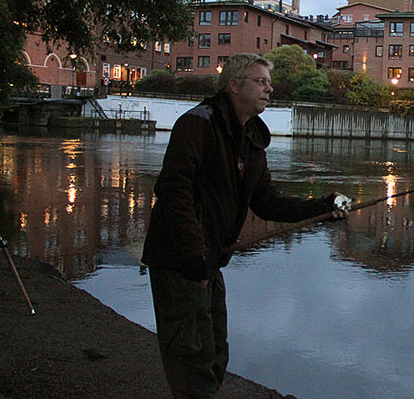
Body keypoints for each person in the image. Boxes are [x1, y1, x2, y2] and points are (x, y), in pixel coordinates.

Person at [141, 53, 347, 398]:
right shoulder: (198, 124)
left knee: (216, 351)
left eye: (269, 82)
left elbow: (266, 201)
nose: (270, 88)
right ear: (234, 85)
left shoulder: (251, 138)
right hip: (180, 261)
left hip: (208, 261)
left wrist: (322, 208)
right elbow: (174, 192)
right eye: (261, 81)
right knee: (191, 354)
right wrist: (194, 256)